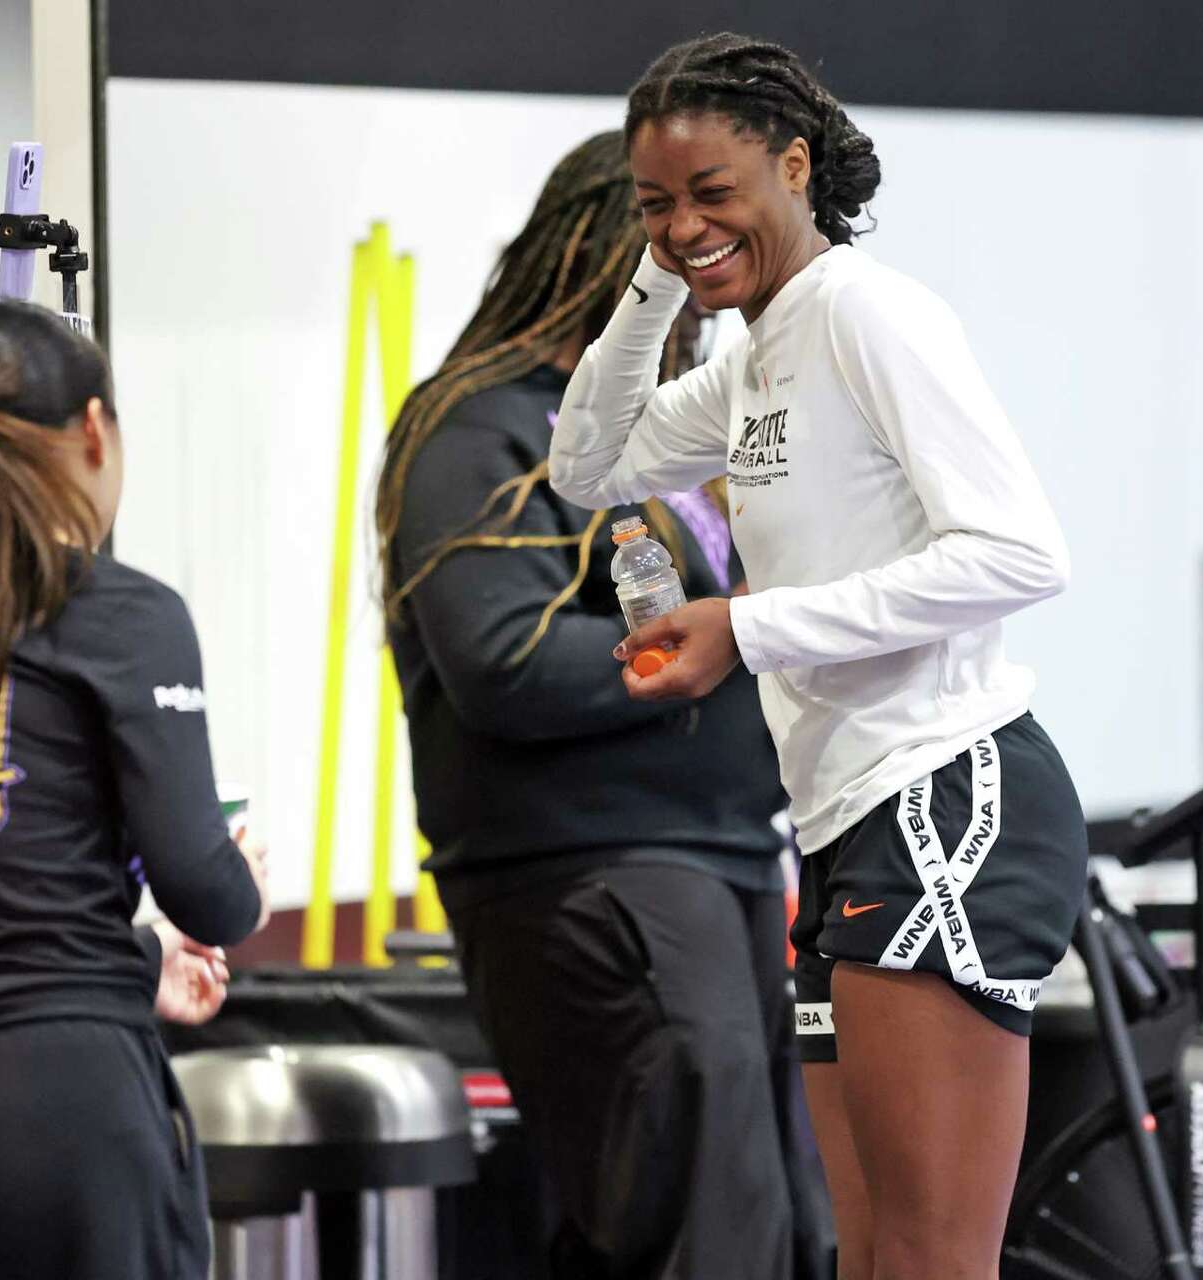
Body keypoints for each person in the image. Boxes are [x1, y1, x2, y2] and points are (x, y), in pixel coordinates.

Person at [550, 35, 1090, 1280]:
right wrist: (657, 279)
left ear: (796, 168)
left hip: (947, 793)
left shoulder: (866, 312)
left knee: (931, 1263)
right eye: (656, 203)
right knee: (876, 1258)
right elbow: (588, 462)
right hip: (850, 816)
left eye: (713, 193)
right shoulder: (754, 352)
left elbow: (1020, 553)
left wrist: (746, 628)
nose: (686, 225)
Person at [377, 131, 831, 1280]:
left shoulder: (665, 434)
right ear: (608, 251)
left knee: (772, 1230)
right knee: (699, 1231)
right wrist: (719, 642)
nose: (706, 280)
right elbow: (502, 655)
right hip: (591, 874)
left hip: (716, 858)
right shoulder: (483, 425)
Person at [0, 300, 270, 1280]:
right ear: (95, 430)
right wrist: (241, 883)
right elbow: (201, 883)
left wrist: (138, 960)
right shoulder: (128, 615)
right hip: (71, 1111)